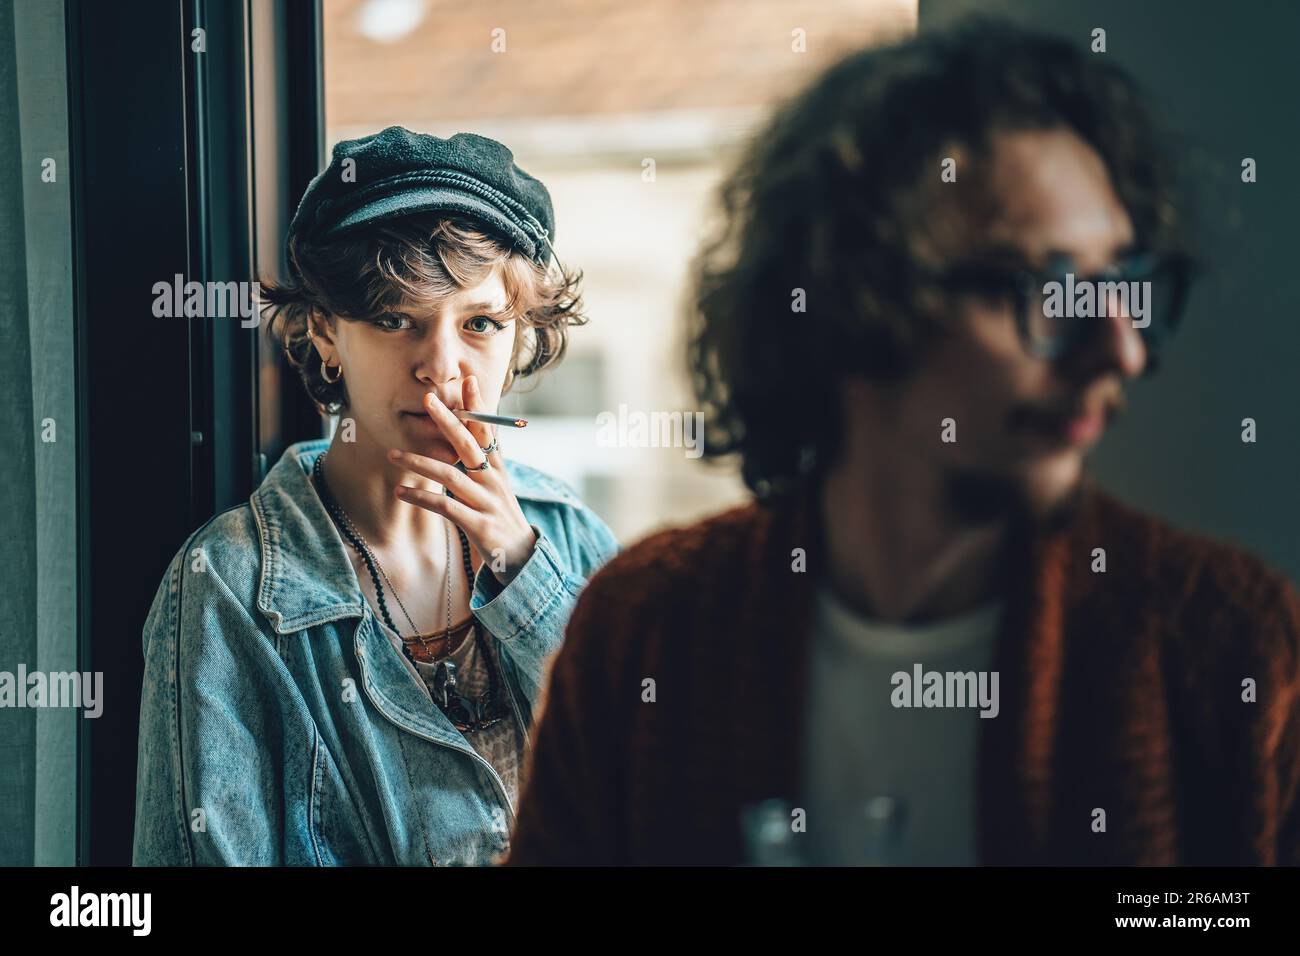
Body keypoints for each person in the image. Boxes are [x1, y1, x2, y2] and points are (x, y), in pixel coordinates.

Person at [505, 19, 1300, 865]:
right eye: (1051, 288)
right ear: (856, 302)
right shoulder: (645, 631)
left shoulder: (1225, 642)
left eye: (1126, 287)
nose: (1123, 349)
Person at [133, 127, 618, 865]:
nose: (442, 370)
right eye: (396, 321)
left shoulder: (572, 539)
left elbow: (663, 796)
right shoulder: (227, 588)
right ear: (326, 332)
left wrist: (526, 575)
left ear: (521, 338)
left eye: (481, 324)